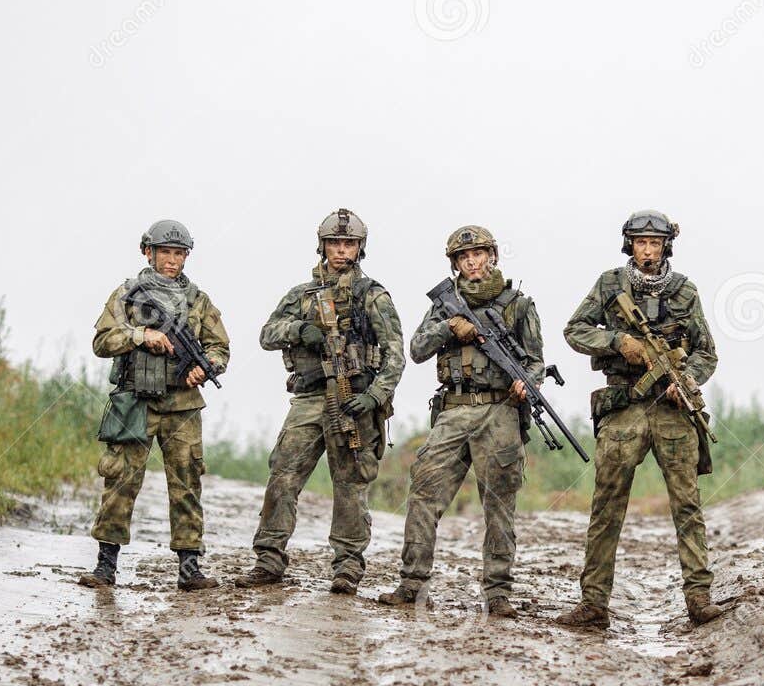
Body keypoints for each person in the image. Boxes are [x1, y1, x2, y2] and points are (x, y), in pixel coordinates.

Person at [556, 209, 726, 629]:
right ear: (628, 244)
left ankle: (698, 597)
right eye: (640, 242)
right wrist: (618, 341)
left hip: (671, 410)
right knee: (607, 505)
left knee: (686, 504)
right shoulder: (610, 284)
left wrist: (685, 378)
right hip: (624, 407)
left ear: (667, 245)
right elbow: (575, 330)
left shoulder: (685, 291)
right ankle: (594, 603)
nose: (647, 250)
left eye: (655, 243)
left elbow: (707, 352)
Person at [236, 209, 404, 593]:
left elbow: (395, 354)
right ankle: (269, 558)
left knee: (350, 485)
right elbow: (267, 334)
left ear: (360, 248)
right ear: (322, 245)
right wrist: (300, 330)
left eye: (348, 244)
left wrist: (374, 396)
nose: (341, 250)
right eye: (334, 243)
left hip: (352, 400)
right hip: (310, 397)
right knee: (283, 475)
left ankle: (347, 566)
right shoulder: (302, 295)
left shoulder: (373, 296)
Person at [378, 226, 540, 618]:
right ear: (455, 264)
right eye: (464, 257)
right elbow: (416, 349)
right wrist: (449, 327)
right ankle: (412, 584)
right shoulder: (444, 305)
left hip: (500, 411)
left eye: (479, 254)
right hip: (452, 411)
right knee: (424, 492)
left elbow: (534, 361)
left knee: (499, 504)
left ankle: (498, 593)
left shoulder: (517, 304)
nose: (472, 261)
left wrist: (525, 382)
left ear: (493, 256)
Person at [81, 219, 229, 590]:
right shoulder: (127, 294)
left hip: (182, 404)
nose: (172, 261)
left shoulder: (198, 301)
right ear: (149, 252)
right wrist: (140, 335)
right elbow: (102, 342)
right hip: (135, 401)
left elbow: (219, 347)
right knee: (120, 480)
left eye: (179, 254)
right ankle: (105, 565)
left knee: (187, 483)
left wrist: (205, 367)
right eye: (166, 252)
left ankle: (190, 567)